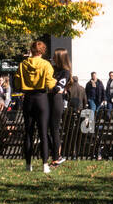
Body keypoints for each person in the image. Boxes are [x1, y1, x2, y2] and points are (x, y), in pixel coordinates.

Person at [18, 40, 56, 172]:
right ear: (43, 51)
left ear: (32, 50)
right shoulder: (46, 64)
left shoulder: (23, 64)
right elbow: (50, 84)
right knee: (43, 133)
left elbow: (17, 82)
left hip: (28, 98)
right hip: (41, 98)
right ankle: (45, 165)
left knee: (28, 133)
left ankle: (28, 165)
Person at [49, 48, 72, 166]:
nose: (52, 57)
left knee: (54, 129)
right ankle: (54, 154)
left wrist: (49, 88)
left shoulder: (65, 72)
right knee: (46, 128)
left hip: (56, 102)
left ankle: (57, 156)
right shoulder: (52, 69)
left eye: (55, 56)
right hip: (48, 100)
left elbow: (58, 87)